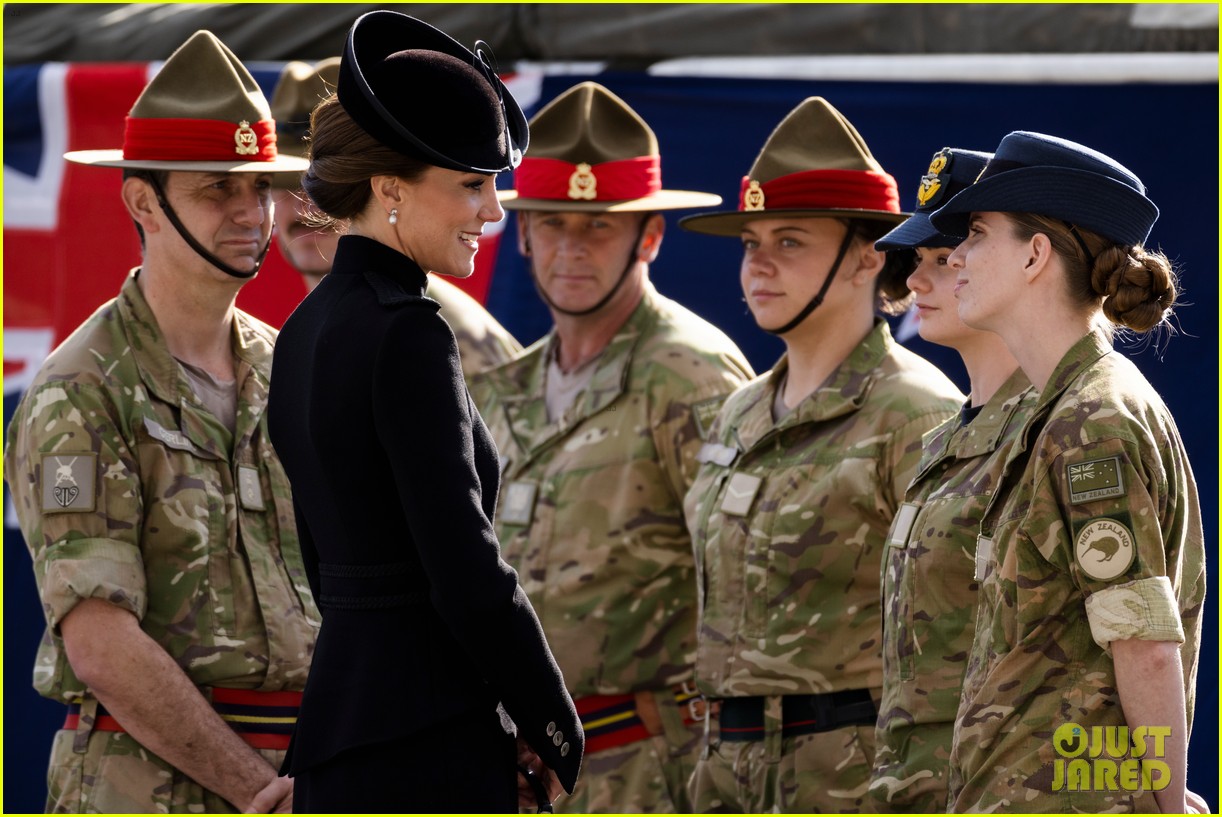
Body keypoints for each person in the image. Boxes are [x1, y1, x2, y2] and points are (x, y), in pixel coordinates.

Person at [265, 12, 582, 812]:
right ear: (391, 188)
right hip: (423, 748)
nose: (494, 212)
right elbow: (464, 565)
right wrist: (549, 718)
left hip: (342, 736)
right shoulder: (407, 332)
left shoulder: (303, 330)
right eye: (471, 185)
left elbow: (327, 560)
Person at [3, 30, 319, 813]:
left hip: (305, 772)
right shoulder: (82, 387)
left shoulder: (294, 368)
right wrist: (259, 789)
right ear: (143, 200)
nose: (252, 213)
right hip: (144, 785)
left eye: (262, 187)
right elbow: (100, 641)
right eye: (219, 190)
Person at [471, 81, 754, 812]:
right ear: (523, 231)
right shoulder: (503, 387)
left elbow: (745, 586)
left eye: (598, 226)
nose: (571, 249)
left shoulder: (689, 373)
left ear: (649, 236)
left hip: (645, 767)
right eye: (552, 223)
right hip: (518, 772)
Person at [678, 97, 964, 812]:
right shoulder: (740, 409)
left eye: (791, 242)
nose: (760, 266)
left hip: (852, 780)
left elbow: (958, 638)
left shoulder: (916, 412)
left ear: (867, 255)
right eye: (751, 243)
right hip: (724, 777)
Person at [927, 131, 1206, 813]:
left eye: (978, 233)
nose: (954, 257)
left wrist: (1168, 805)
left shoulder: (1092, 419)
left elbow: (1140, 641)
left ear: (1035, 254)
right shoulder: (1053, 408)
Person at [865, 147, 1038, 811]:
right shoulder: (948, 433)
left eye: (947, 257)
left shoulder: (1051, 430)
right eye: (922, 263)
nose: (919, 282)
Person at [269, 57, 522, 379]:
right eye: (287, 186)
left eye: (339, 187)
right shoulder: (312, 323)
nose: (310, 206)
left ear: (388, 190)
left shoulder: (441, 334)